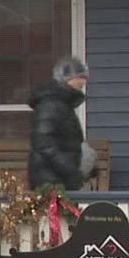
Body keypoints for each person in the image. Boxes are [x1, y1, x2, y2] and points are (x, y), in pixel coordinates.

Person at [28, 56, 94, 191]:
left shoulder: (63, 105)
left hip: (61, 178)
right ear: (67, 79)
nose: (83, 82)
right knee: (56, 213)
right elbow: (44, 145)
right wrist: (73, 172)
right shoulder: (50, 105)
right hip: (50, 181)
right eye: (80, 77)